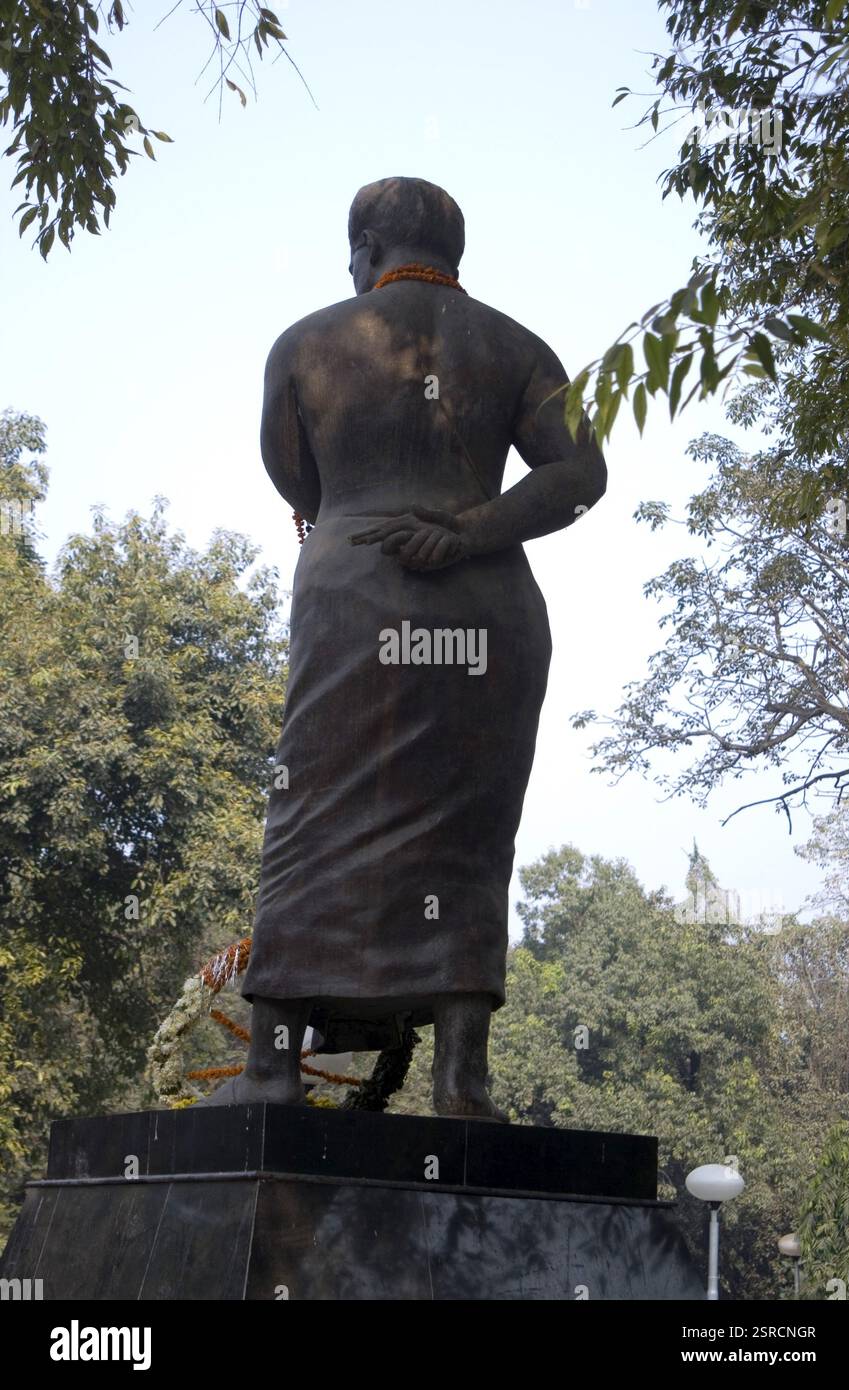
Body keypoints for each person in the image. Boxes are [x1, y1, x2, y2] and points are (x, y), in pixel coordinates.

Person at [207, 176, 606, 1120]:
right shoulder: (516, 346)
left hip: (354, 594)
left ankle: (271, 1070)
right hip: (486, 611)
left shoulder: (306, 343)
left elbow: (292, 477)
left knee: (311, 812)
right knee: (466, 835)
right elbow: (581, 473)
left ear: (364, 248)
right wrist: (469, 531)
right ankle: (461, 1083)